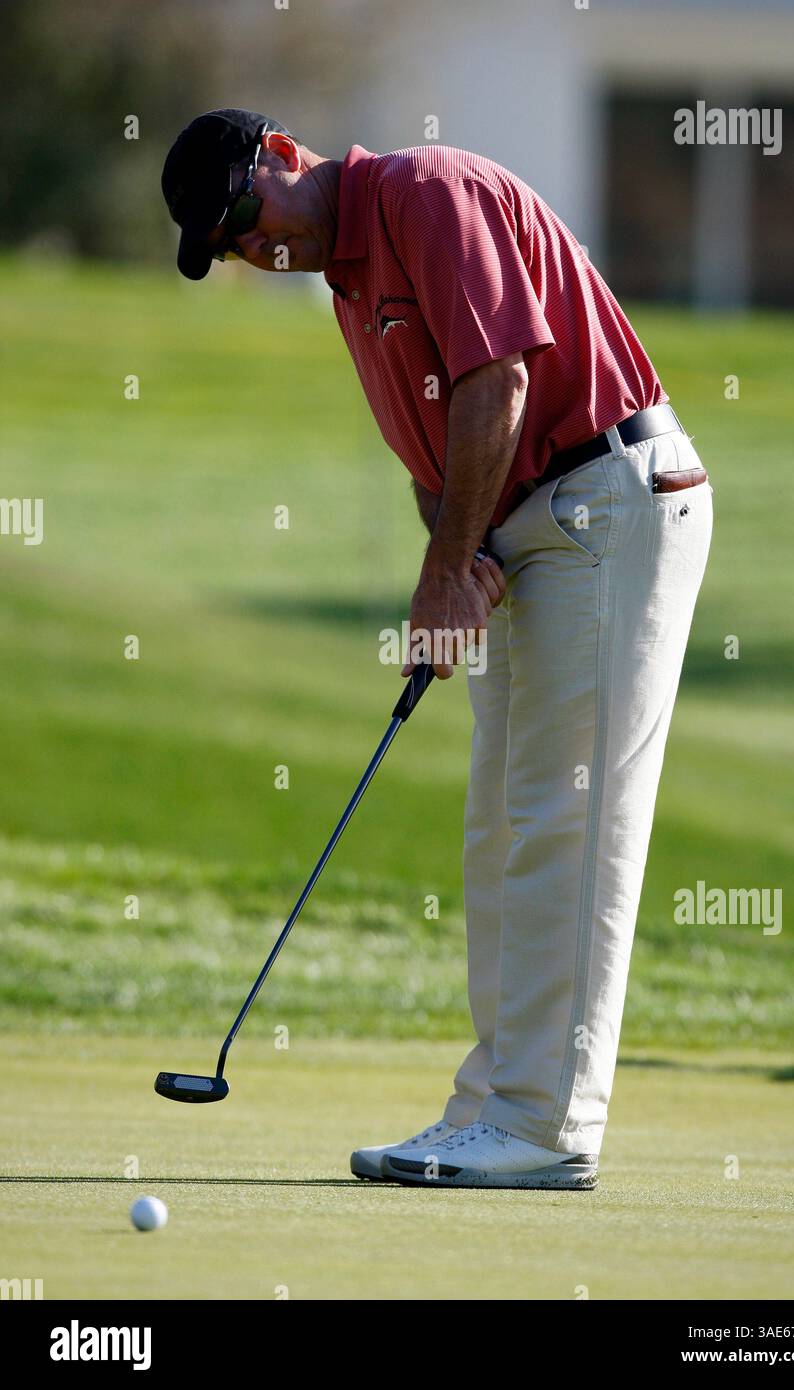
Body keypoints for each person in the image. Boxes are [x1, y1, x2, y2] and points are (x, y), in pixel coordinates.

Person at [161, 108, 713, 1190]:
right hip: (531, 530)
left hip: (605, 496)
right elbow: (433, 460)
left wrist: (444, 573)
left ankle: (546, 1125)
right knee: (498, 824)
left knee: (566, 812)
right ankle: (491, 1107)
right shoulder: (351, 289)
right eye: (228, 245)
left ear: (281, 156)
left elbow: (497, 381)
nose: (250, 245)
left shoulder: (424, 191)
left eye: (242, 213)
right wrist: (455, 566)